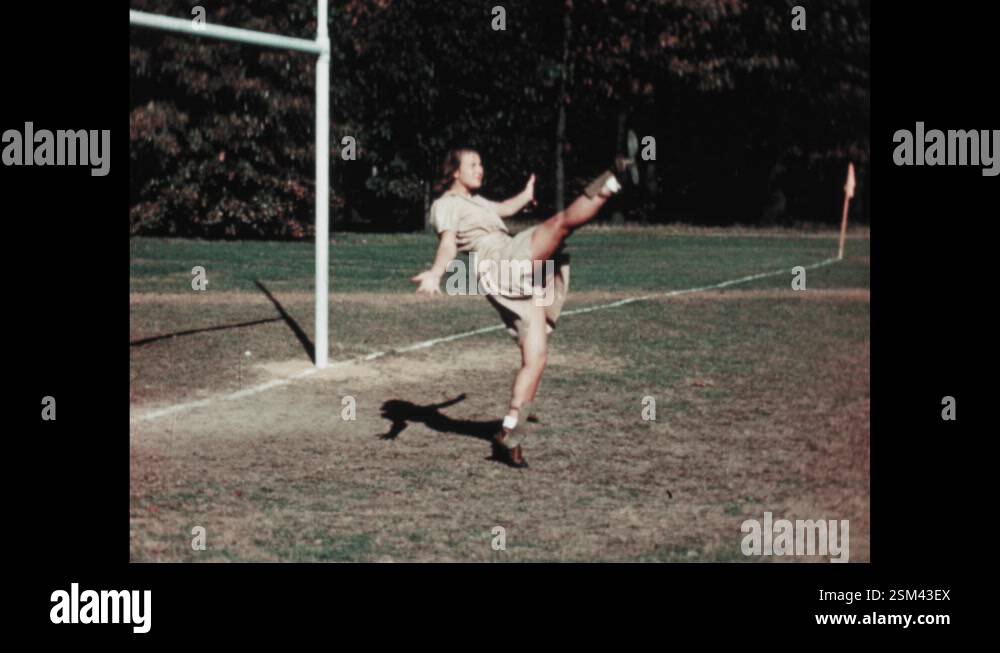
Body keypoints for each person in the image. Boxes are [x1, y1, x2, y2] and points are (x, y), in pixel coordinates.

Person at [411, 141, 637, 467]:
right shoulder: (445, 205)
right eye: (473, 165)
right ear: (455, 172)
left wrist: (525, 193)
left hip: (509, 263)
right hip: (497, 259)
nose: (480, 169)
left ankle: (509, 433)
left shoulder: (475, 202)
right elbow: (448, 244)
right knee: (560, 225)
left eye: (481, 164)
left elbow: (504, 208)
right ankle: (613, 179)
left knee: (537, 357)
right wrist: (436, 273)